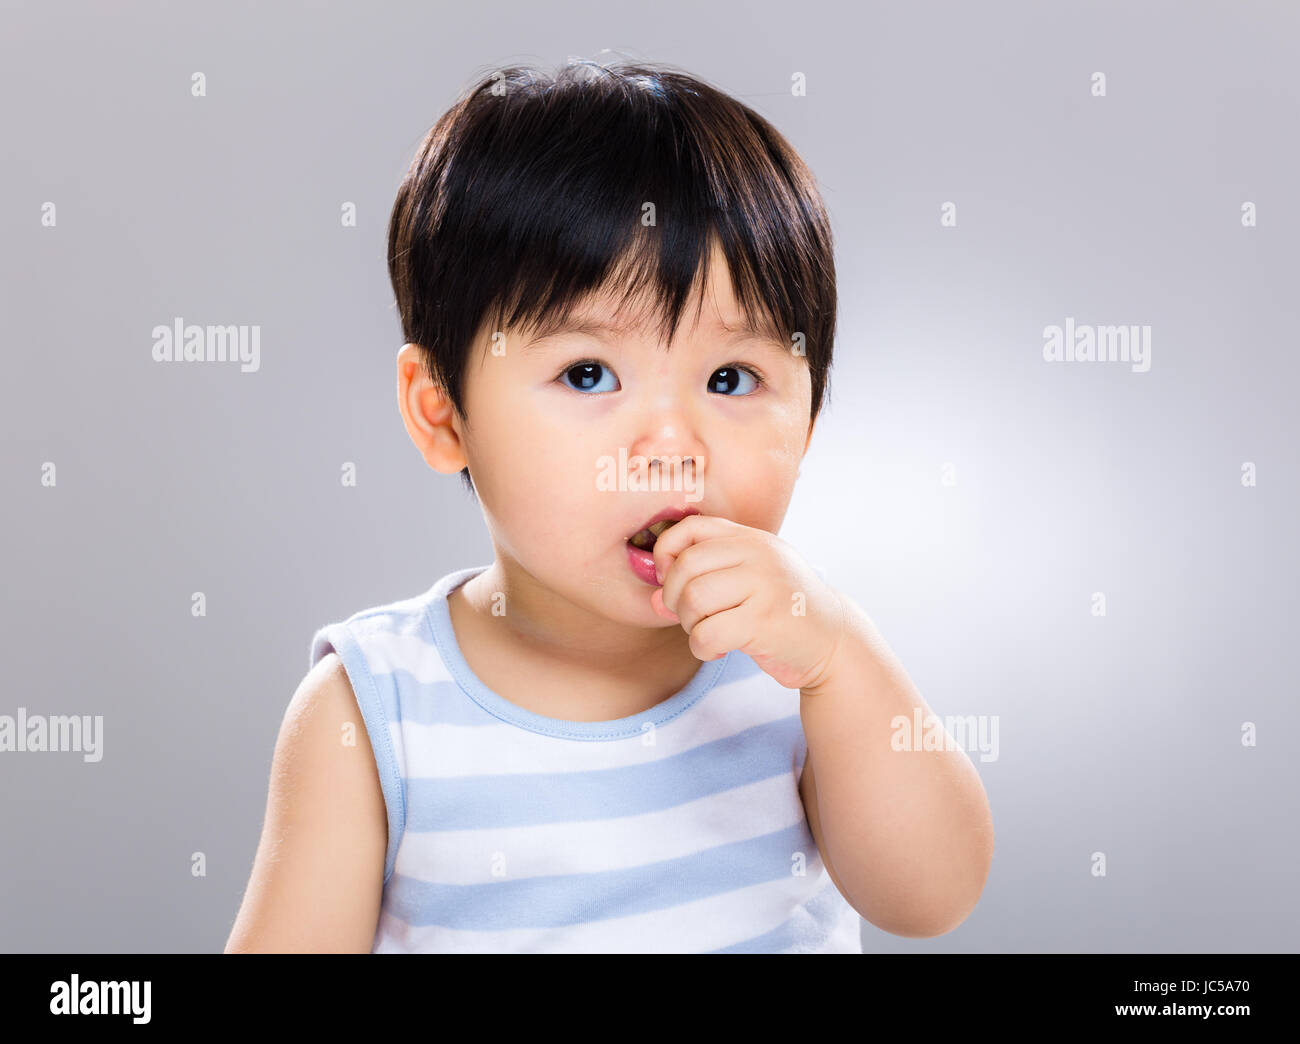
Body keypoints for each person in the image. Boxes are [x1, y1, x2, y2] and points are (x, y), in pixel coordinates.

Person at [225, 58, 993, 953]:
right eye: (589, 374)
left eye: (731, 378)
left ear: (811, 417)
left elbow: (931, 898)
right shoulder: (376, 708)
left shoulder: (795, 667)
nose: (672, 444)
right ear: (443, 415)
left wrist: (837, 661)